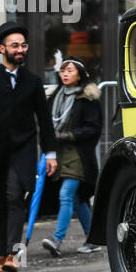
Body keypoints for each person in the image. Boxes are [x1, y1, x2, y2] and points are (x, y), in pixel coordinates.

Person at [0, 22, 58, 272]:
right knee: (2, 201)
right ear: (2, 48)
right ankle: (1, 254)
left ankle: (14, 254)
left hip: (23, 150)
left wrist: (50, 153)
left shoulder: (33, 81)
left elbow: (45, 120)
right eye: (15, 45)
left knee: (15, 196)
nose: (20, 49)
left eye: (23, 45)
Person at [41, 59, 103, 256]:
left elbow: (93, 128)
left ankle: (57, 240)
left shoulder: (87, 97)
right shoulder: (54, 96)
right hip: (58, 154)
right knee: (77, 198)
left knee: (66, 194)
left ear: (80, 74)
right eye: (62, 71)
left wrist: (70, 135)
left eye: (69, 70)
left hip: (78, 154)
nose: (64, 74)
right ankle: (93, 239)